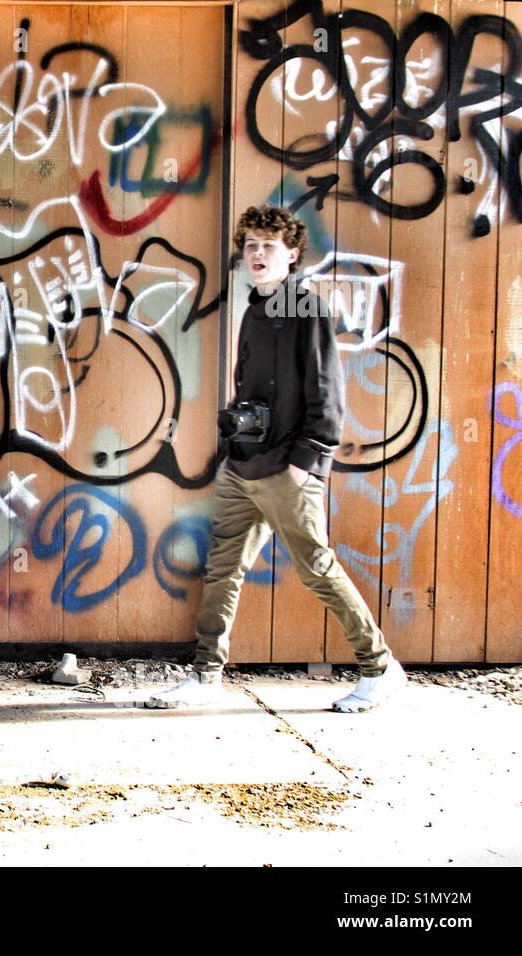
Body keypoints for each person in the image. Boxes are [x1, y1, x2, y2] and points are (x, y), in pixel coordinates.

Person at [147, 205, 406, 713]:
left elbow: (327, 392)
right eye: (250, 245)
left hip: (288, 468)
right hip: (244, 465)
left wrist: (308, 459)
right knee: (223, 568)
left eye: (268, 245)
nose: (257, 253)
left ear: (291, 254)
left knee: (315, 567)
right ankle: (205, 675)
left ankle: (380, 667)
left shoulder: (306, 309)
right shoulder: (255, 310)